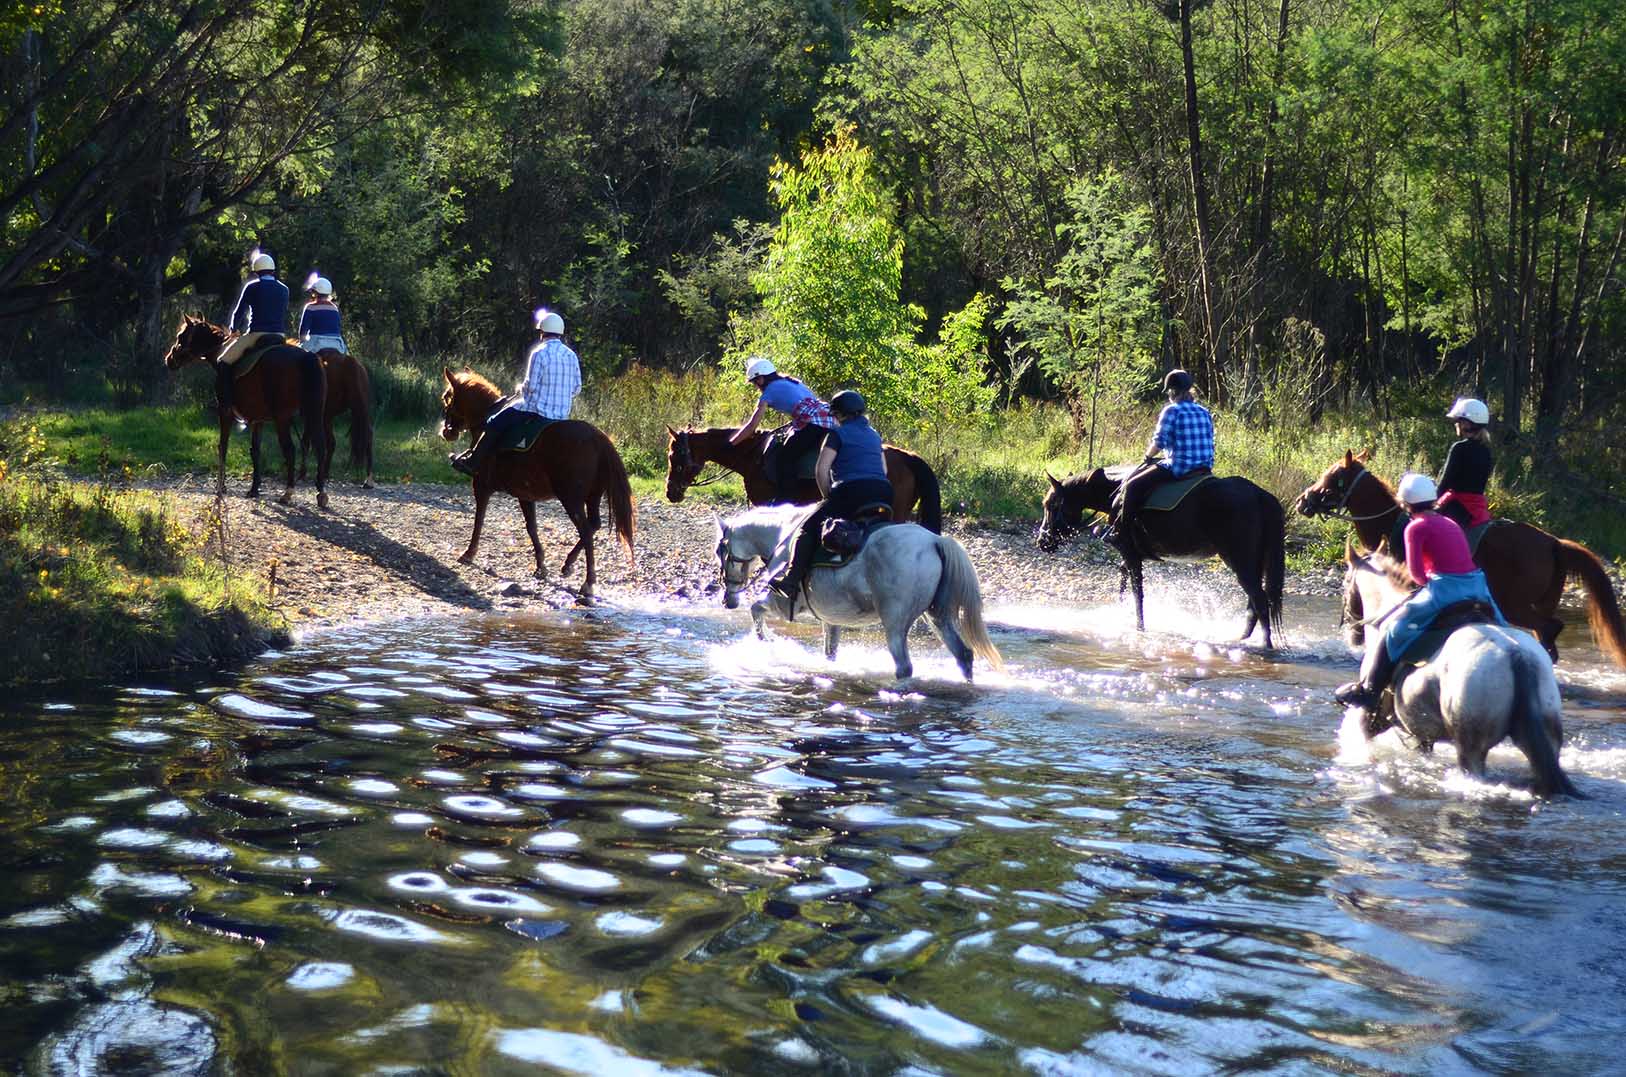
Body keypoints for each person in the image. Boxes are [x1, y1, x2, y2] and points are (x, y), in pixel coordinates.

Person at [1334, 472, 1506, 724]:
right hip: (1477, 585)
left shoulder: (1414, 526)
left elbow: (1415, 573)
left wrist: (1425, 582)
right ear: (1433, 499)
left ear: (1405, 503)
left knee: (1392, 630)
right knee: (1502, 625)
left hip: (1445, 590)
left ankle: (1370, 691)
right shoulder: (1450, 522)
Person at [766, 390, 893, 610]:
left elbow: (821, 470)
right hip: (883, 491)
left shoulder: (836, 434)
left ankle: (790, 580)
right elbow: (883, 468)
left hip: (850, 491)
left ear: (839, 415)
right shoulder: (874, 434)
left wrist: (828, 498)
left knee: (807, 528)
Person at [450, 308, 580, 477]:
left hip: (536, 411)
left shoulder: (539, 353)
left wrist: (520, 388)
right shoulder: (571, 355)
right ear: (560, 332)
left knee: (493, 421)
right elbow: (577, 388)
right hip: (562, 415)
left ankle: (473, 462)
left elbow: (530, 387)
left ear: (542, 332)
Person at [1101, 368, 1215, 552]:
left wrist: (1148, 456)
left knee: (1132, 486)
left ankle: (1121, 532)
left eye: (1169, 392)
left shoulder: (1171, 410)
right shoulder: (1204, 411)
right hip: (1204, 467)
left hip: (1179, 466)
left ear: (1172, 392)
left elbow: (1159, 441)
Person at [730, 356, 836, 502]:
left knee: (785, 458)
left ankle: (786, 501)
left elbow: (751, 426)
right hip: (831, 417)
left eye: (754, 382)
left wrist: (731, 444)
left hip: (815, 422)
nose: (756, 386)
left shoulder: (768, 393)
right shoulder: (792, 382)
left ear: (760, 379)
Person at [217, 251, 290, 419]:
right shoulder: (284, 290)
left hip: (257, 334)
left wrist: (234, 330)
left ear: (256, 271)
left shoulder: (252, 287)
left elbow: (239, 312)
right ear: (273, 270)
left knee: (223, 362)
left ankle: (226, 405)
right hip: (279, 336)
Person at [1435, 397, 1493, 531]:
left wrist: (1430, 502)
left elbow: (1445, 483)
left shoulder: (1459, 448)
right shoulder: (1487, 451)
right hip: (1479, 510)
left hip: (1457, 507)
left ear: (1467, 423)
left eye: (1459, 421)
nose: (1457, 424)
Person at [298, 276, 347, 353]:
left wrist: (302, 343)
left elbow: (303, 332)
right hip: (337, 344)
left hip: (316, 344)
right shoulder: (334, 308)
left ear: (315, 293)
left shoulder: (310, 307)